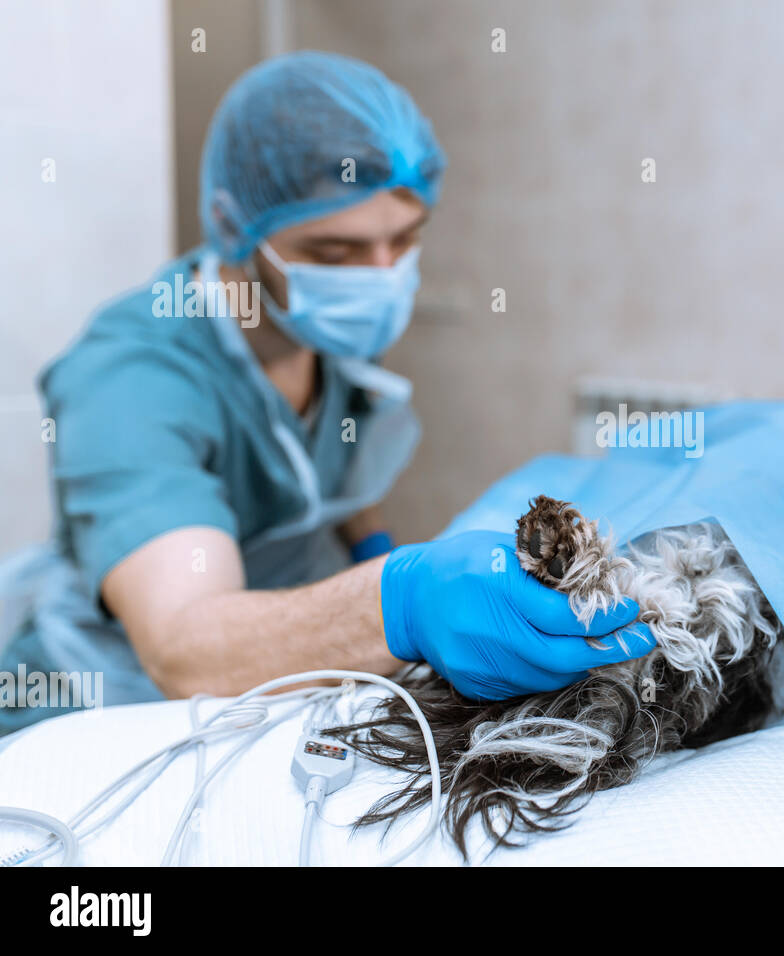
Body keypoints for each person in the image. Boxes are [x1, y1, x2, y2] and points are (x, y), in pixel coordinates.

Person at [0, 52, 652, 735]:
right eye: (336, 254)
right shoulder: (130, 378)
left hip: (268, 686)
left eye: (404, 240)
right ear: (233, 226)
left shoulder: (317, 324)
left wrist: (372, 546)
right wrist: (397, 602)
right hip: (107, 715)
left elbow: (328, 464)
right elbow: (184, 649)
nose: (379, 277)